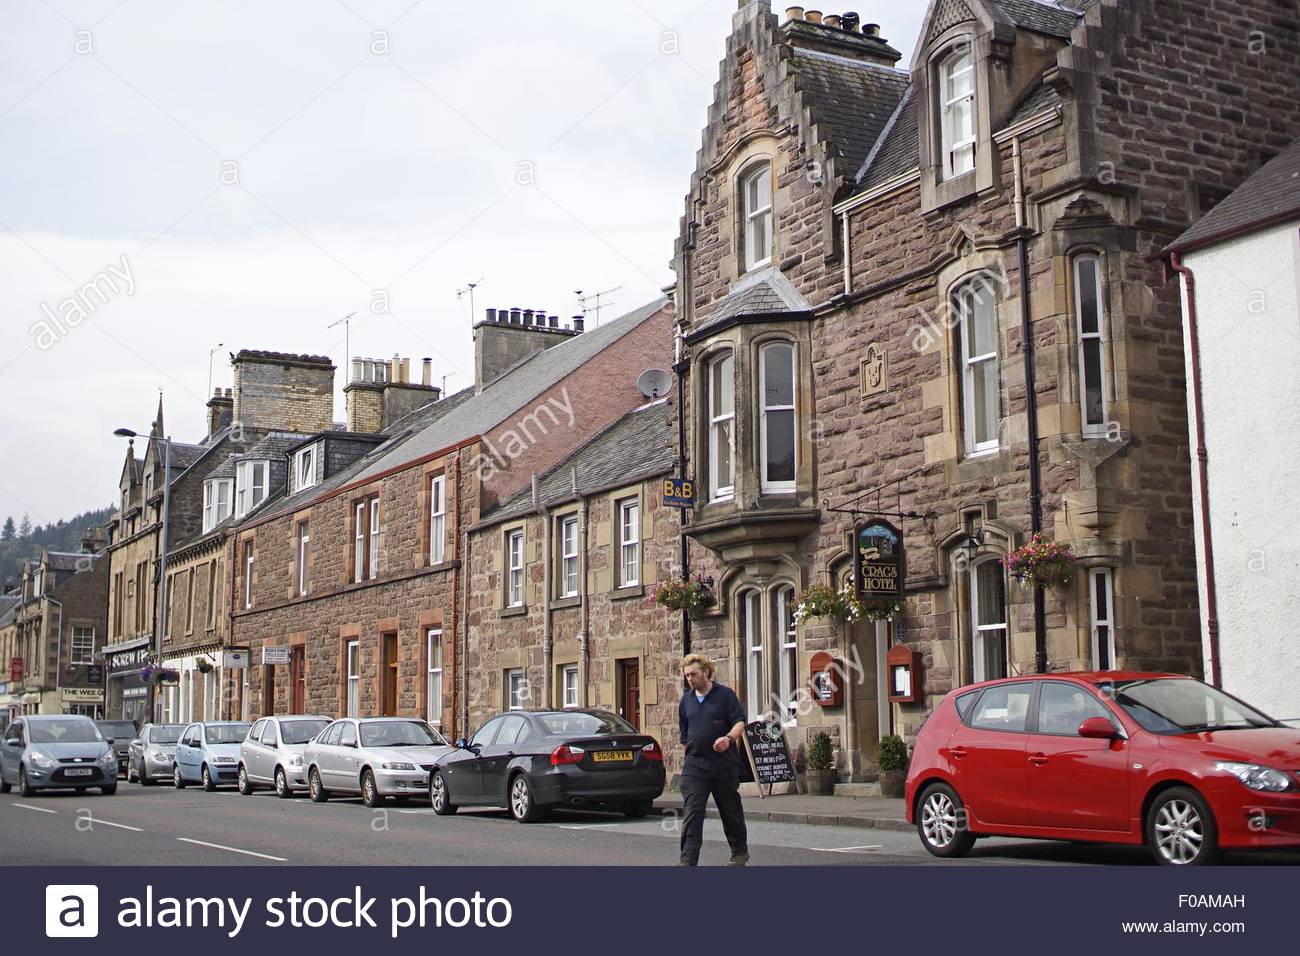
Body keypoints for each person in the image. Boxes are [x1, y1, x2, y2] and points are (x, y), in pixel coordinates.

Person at [677, 653, 749, 866]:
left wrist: (728, 738)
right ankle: (687, 862)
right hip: (695, 767)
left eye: (694, 674)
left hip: (723, 766)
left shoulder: (724, 695)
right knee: (692, 813)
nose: (690, 679)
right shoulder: (686, 700)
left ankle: (739, 853)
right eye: (687, 675)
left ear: (706, 672)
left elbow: (740, 722)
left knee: (731, 812)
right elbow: (685, 735)